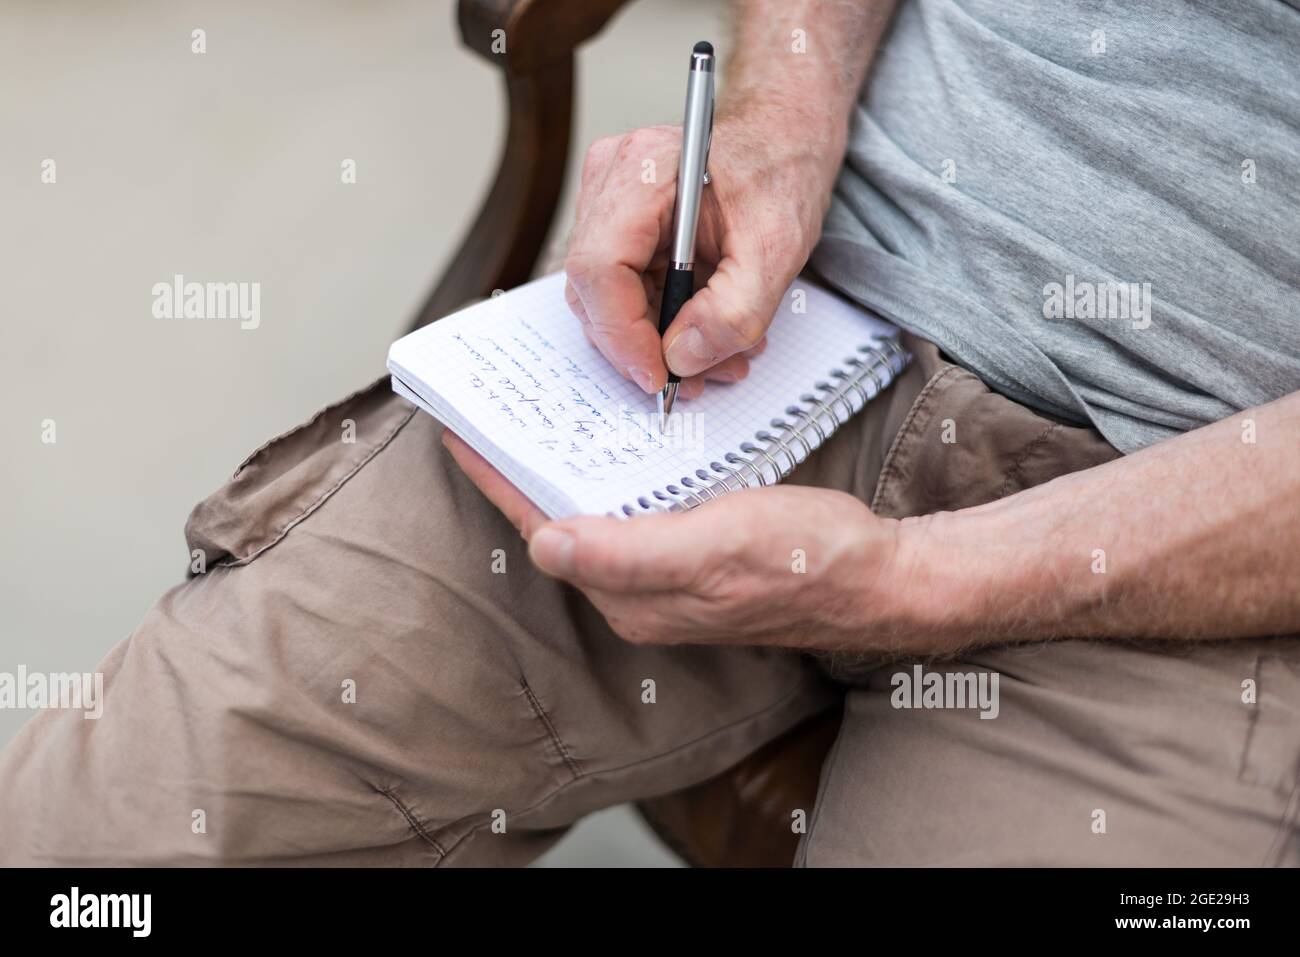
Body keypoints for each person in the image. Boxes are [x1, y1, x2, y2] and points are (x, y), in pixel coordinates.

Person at [2, 0, 1298, 866]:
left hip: (1181, 545)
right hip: (778, 335)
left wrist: (917, 582)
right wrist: (780, 118)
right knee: (83, 848)